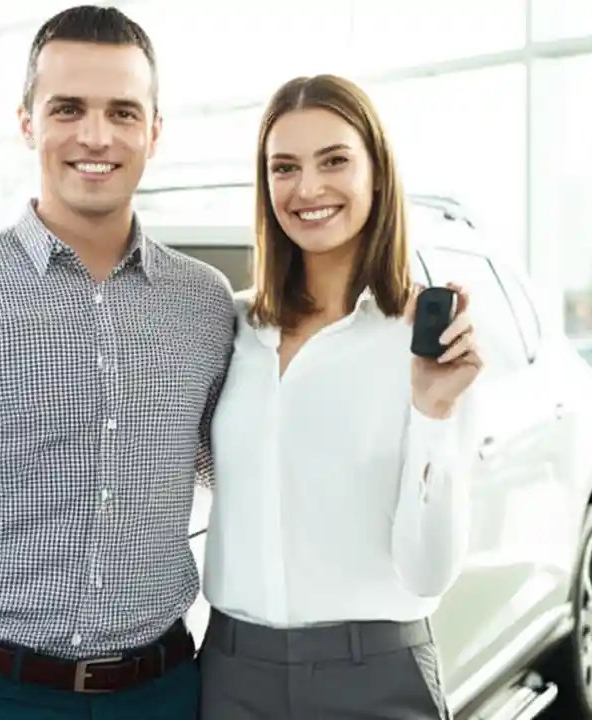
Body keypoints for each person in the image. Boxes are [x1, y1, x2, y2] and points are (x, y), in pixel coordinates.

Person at [0, 5, 235, 720]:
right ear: (27, 122)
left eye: (123, 111)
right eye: (68, 108)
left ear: (154, 130)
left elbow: (236, 471)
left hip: (162, 694)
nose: (96, 136)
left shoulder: (205, 305)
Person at [195, 74, 481, 719]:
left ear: (377, 174)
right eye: (284, 167)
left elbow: (428, 572)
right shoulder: (230, 330)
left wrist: (433, 412)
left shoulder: (423, 340)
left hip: (376, 677)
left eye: (334, 161)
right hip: (232, 672)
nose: (307, 189)